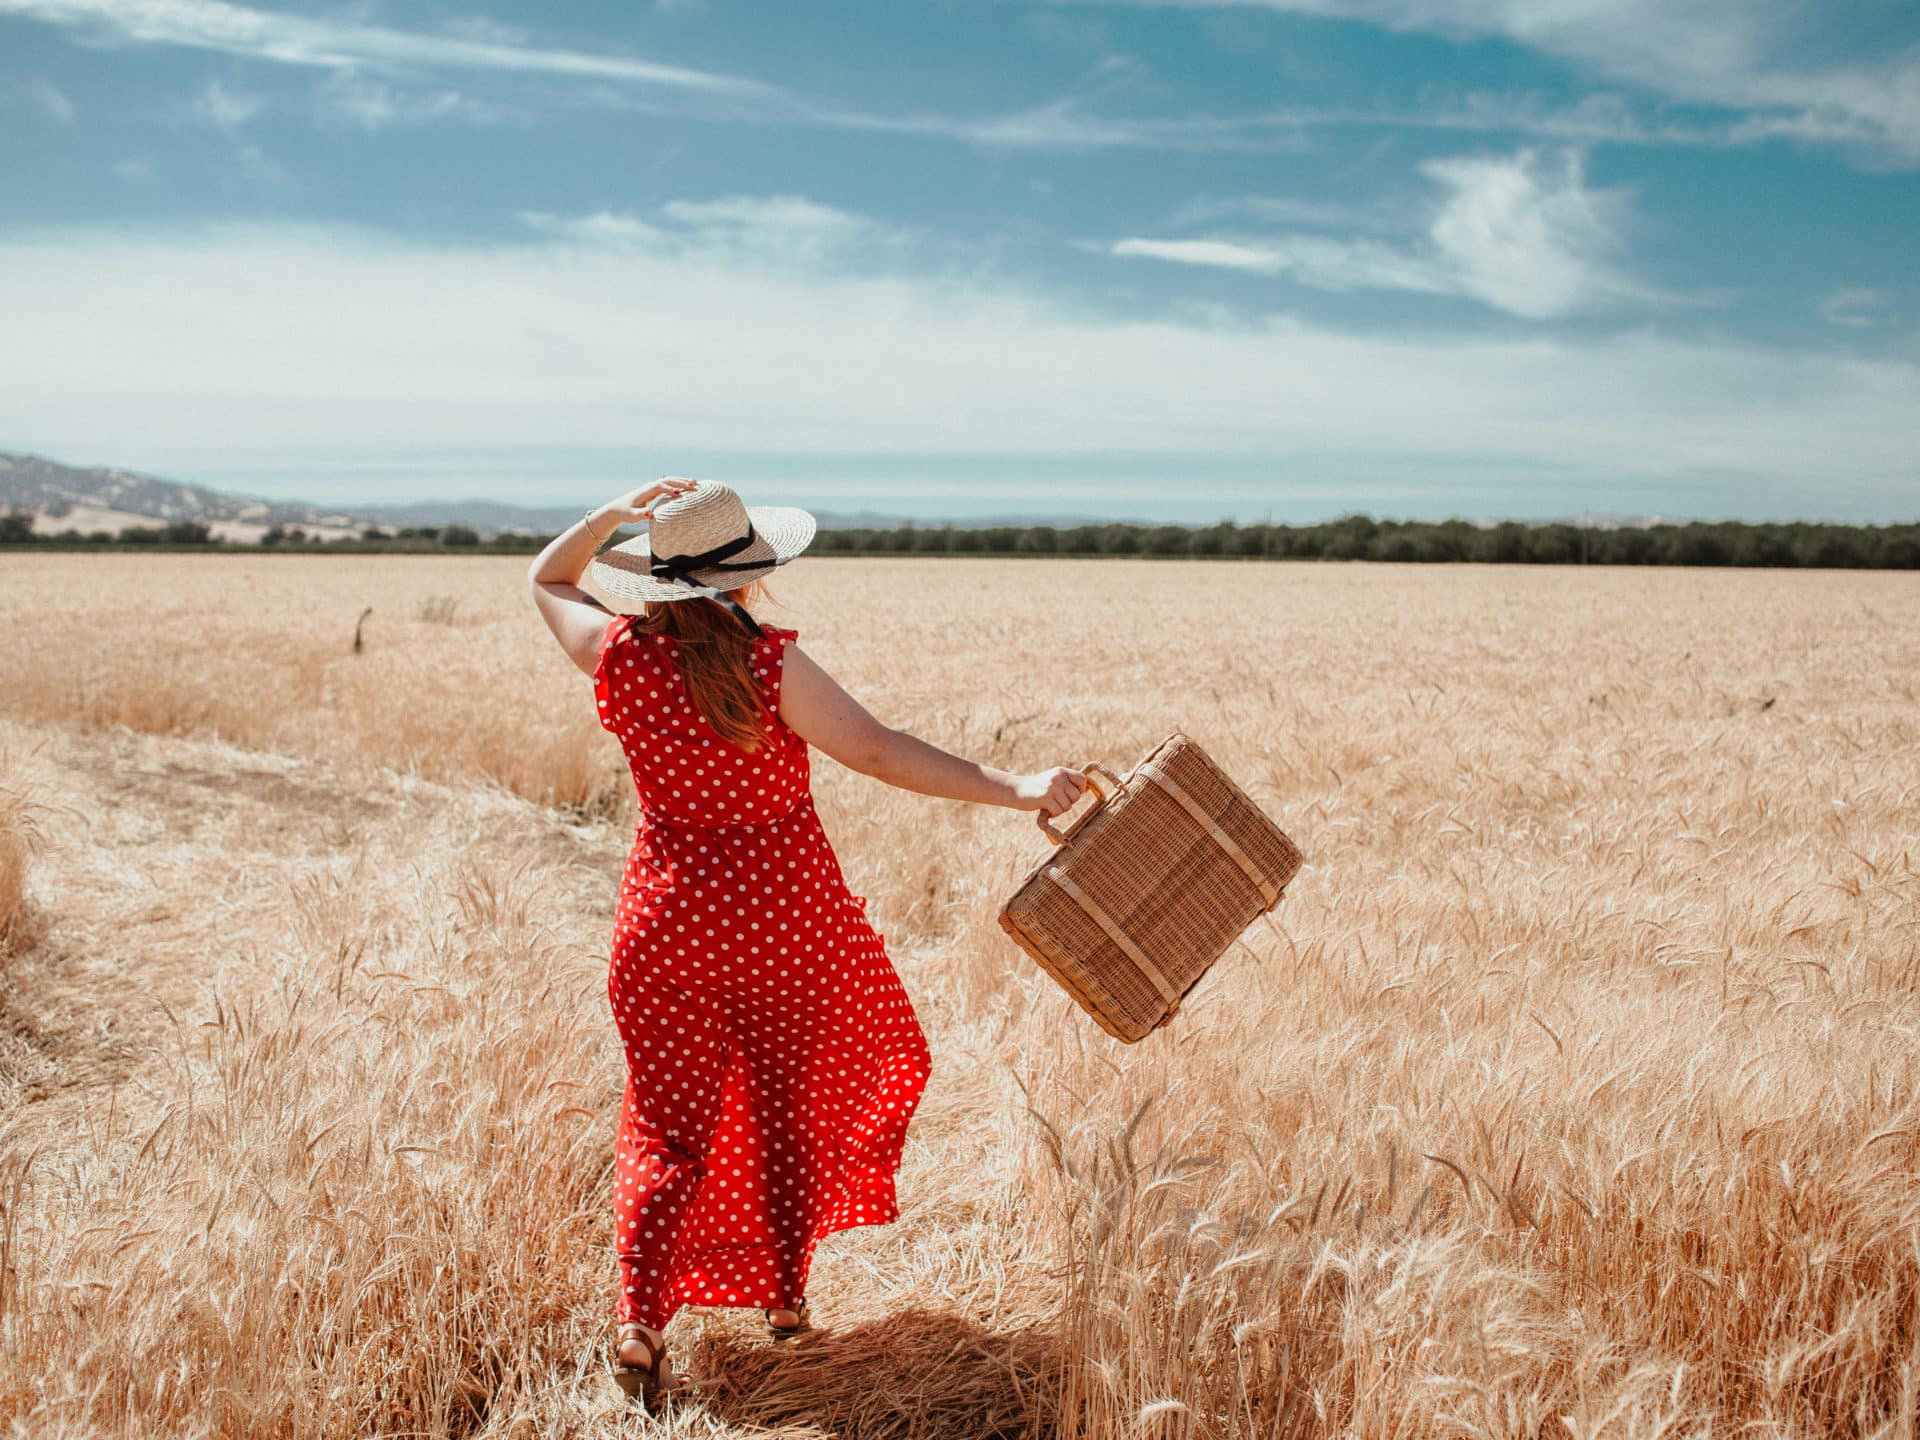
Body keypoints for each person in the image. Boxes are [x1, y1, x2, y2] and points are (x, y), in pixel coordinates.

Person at [527, 477, 1091, 1408]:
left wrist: (616, 517)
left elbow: (547, 580)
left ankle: (639, 1322)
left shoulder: (618, 657)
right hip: (785, 926)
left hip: (664, 926)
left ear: (659, 584)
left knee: (666, 1125)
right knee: (787, 1103)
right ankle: (786, 1305)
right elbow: (877, 750)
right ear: (751, 579)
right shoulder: (772, 668)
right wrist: (1022, 786)